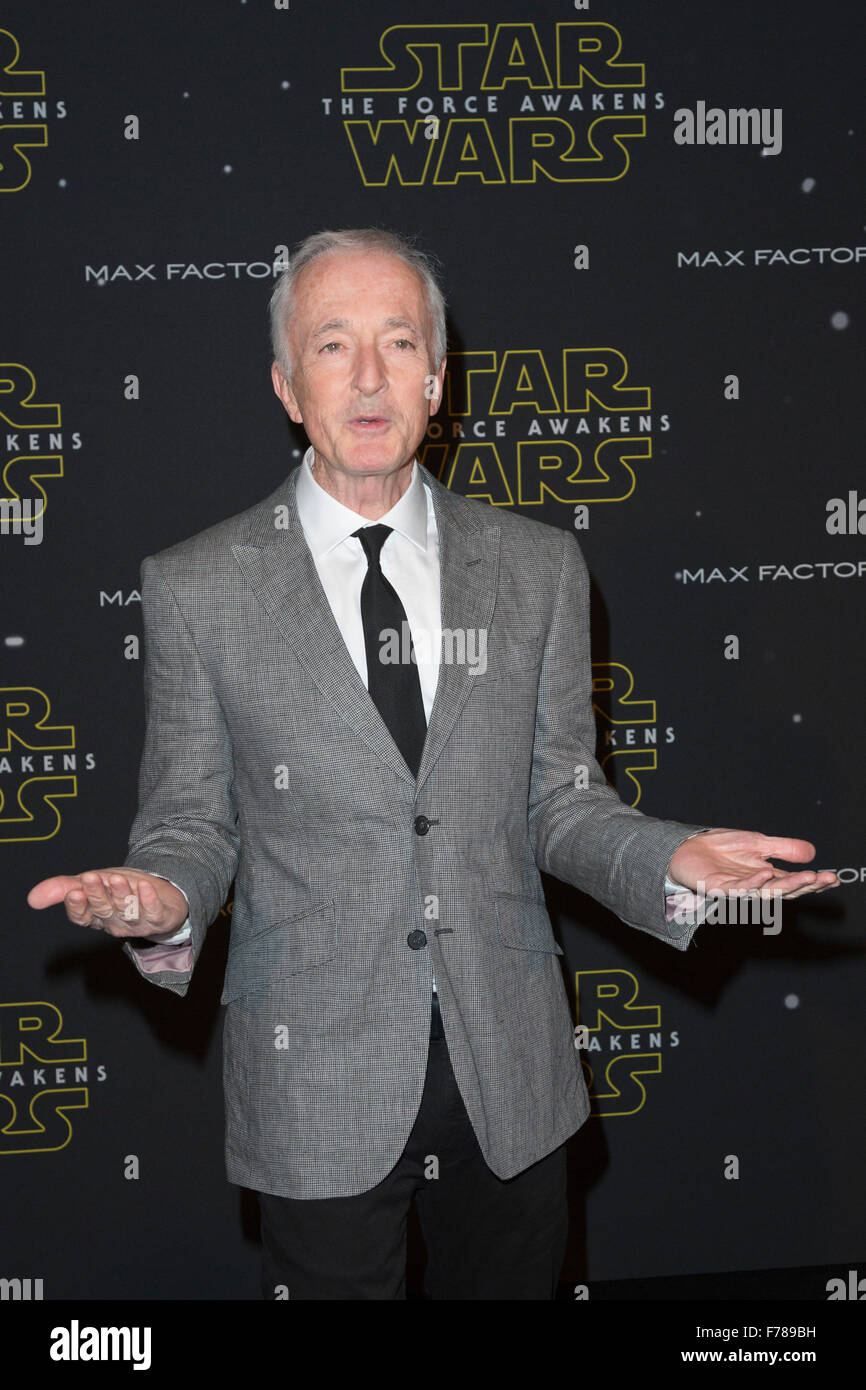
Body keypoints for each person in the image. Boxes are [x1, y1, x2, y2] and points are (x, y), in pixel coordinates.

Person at [27, 228, 838, 1300]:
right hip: (316, 1078)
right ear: (285, 385)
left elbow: (559, 801)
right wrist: (163, 891)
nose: (368, 376)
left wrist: (667, 856)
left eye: (398, 342)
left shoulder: (538, 566)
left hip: (511, 1077)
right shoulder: (195, 587)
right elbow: (194, 821)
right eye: (331, 344)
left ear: (437, 379)